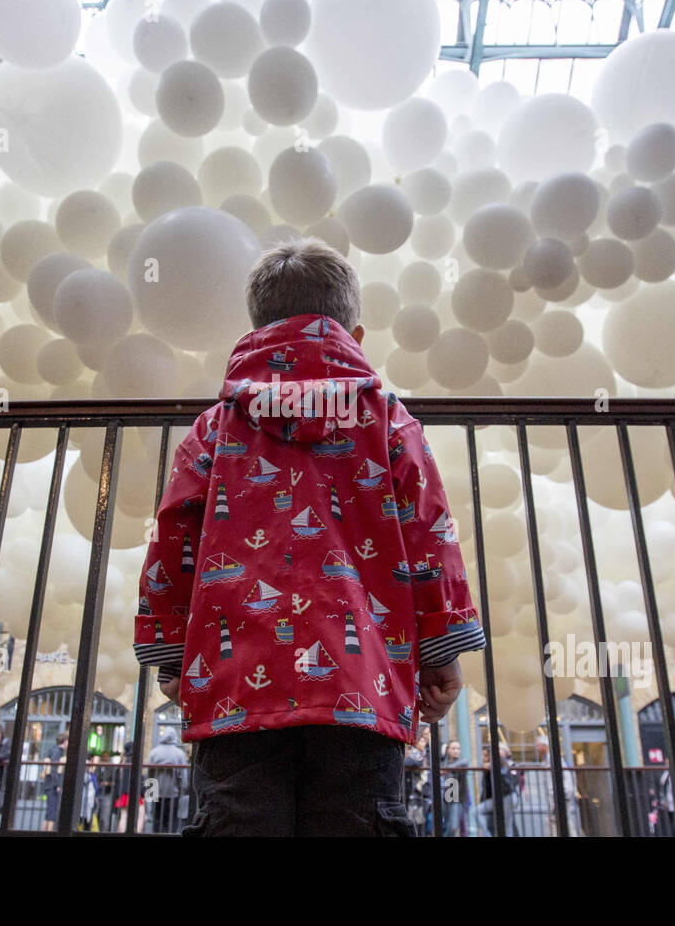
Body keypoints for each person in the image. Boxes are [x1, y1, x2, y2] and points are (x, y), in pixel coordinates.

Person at [131, 238, 486, 837]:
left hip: (235, 685)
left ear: (256, 326)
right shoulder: (390, 422)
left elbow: (173, 540)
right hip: (362, 686)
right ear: (356, 333)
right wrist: (440, 653)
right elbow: (431, 537)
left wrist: (169, 649)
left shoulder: (214, 428)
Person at [146, 727, 189, 833]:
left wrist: (149, 791)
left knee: (157, 820)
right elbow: (183, 776)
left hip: (156, 792)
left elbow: (149, 774)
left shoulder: (154, 753)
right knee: (171, 821)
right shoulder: (179, 754)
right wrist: (182, 791)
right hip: (173, 793)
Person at [440, 740, 470, 836]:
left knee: (453, 826)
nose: (456, 751)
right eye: (453, 748)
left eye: (458, 749)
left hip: (458, 799)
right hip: (446, 798)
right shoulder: (444, 762)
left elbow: (464, 763)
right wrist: (444, 756)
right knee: (448, 825)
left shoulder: (462, 762)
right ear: (448, 750)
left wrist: (446, 769)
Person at [42, 731, 67, 832]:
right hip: (53, 785)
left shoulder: (53, 750)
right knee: (52, 812)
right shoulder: (58, 751)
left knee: (50, 811)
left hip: (50, 784)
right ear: (65, 741)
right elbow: (55, 769)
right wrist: (58, 784)